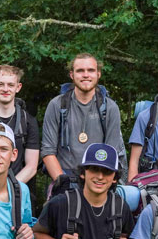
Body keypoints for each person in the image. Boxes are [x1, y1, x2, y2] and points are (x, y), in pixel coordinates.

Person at [41, 53, 127, 184]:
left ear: (98, 74)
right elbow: (48, 151)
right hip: (64, 178)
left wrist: (96, 184)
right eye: (80, 71)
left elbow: (111, 154)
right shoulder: (57, 105)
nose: (85, 75)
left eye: (91, 70)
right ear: (72, 75)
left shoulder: (110, 107)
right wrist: (62, 183)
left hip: (98, 179)